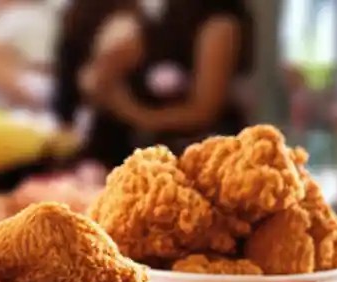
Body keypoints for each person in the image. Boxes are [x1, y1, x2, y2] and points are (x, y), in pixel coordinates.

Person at [69, 0, 254, 166]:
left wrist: (134, 113)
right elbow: (95, 79)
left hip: (200, 155)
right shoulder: (156, 16)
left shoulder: (220, 23)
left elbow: (202, 112)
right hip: (145, 151)